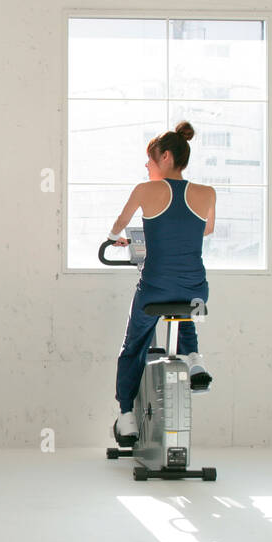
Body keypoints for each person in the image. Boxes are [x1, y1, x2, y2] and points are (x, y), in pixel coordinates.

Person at [107, 121, 215, 445]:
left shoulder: (145, 190)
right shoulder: (207, 192)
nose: (146, 166)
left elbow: (120, 223)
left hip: (154, 289)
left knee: (133, 346)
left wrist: (114, 239)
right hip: (197, 290)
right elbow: (205, 231)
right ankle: (194, 359)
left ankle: (125, 416)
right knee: (185, 313)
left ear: (166, 157)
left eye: (150, 160)